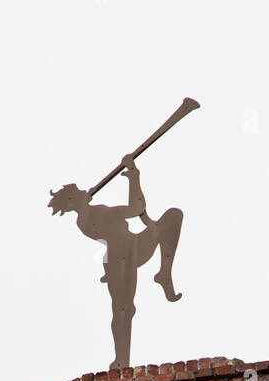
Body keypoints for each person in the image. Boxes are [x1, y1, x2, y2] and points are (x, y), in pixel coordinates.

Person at [48, 156, 183, 368]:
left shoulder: (99, 210)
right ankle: (121, 359)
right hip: (119, 259)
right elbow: (128, 213)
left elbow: (136, 208)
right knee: (123, 308)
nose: (85, 191)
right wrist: (86, 203)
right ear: (72, 202)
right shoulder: (86, 220)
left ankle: (164, 273)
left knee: (173, 216)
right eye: (78, 193)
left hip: (137, 244)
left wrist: (133, 177)